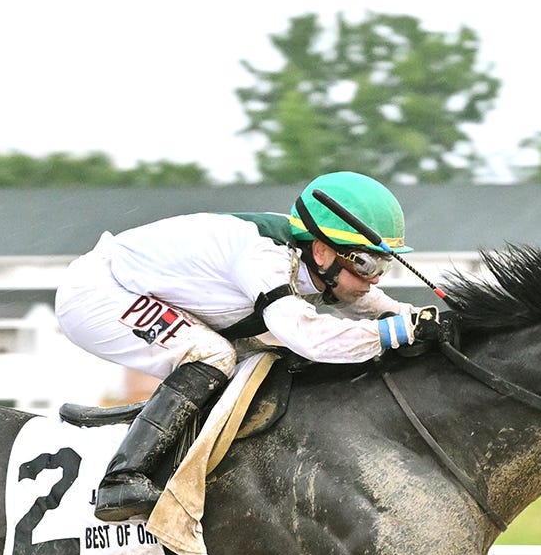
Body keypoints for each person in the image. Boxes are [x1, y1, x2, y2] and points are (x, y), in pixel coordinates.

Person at [54, 171, 449, 523]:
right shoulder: (265, 259)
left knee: (266, 360)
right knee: (215, 356)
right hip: (99, 293)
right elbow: (311, 338)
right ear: (324, 252)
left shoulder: (310, 257)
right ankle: (122, 479)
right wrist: (398, 332)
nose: (375, 279)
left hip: (148, 290)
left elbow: (360, 298)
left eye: (383, 266)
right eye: (366, 265)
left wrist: (412, 316)